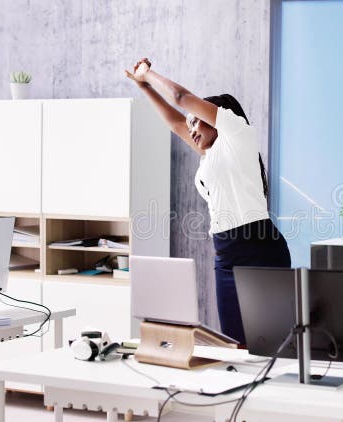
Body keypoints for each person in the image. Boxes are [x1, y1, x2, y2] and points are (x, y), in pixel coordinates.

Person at [125, 58, 291, 344]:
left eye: (197, 120)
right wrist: (143, 87)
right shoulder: (211, 154)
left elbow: (180, 98)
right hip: (225, 254)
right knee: (234, 343)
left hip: (259, 249)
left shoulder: (237, 134)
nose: (191, 128)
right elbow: (176, 123)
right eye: (191, 123)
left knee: (270, 341)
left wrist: (148, 74)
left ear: (217, 119)